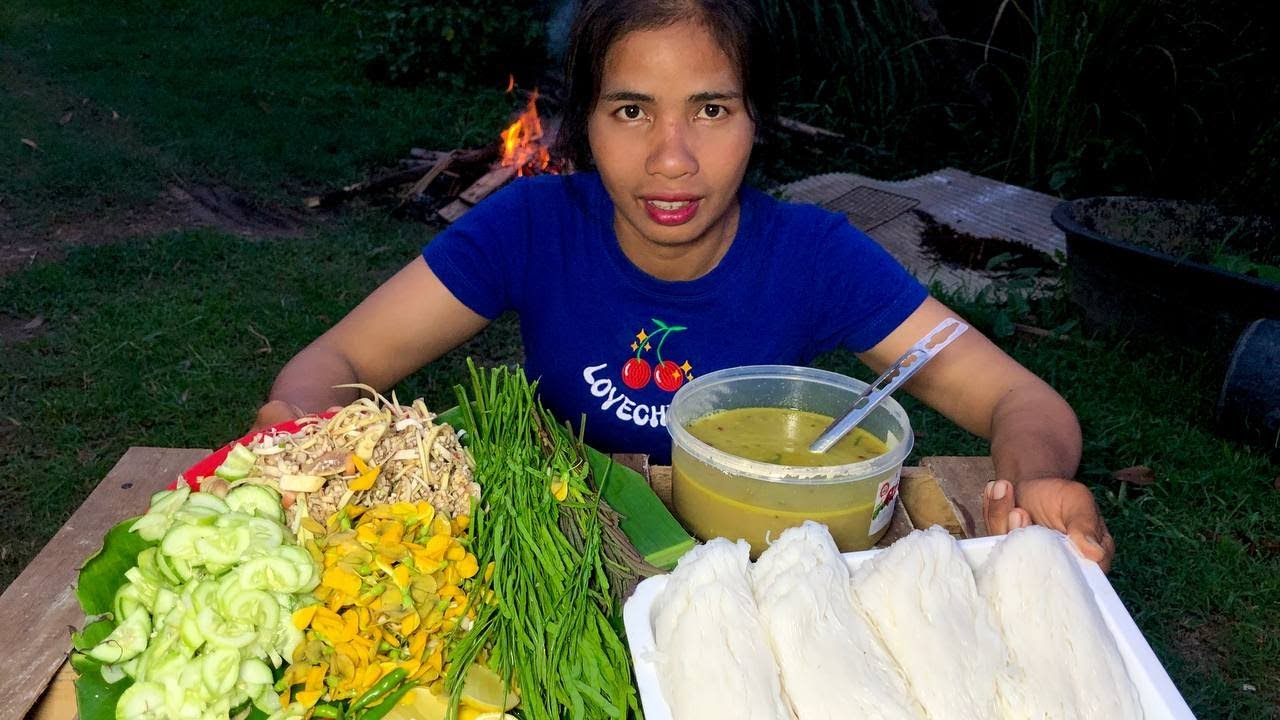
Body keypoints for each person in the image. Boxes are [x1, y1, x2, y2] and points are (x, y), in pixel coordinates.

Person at [255, 0, 1115, 570]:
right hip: (561, 561)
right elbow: (340, 355)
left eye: (711, 109)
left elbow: (1022, 403)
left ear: (756, 122)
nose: (672, 159)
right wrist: (291, 430)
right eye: (631, 111)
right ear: (584, 125)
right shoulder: (533, 226)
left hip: (762, 573)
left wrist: (1037, 479)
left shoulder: (812, 255)